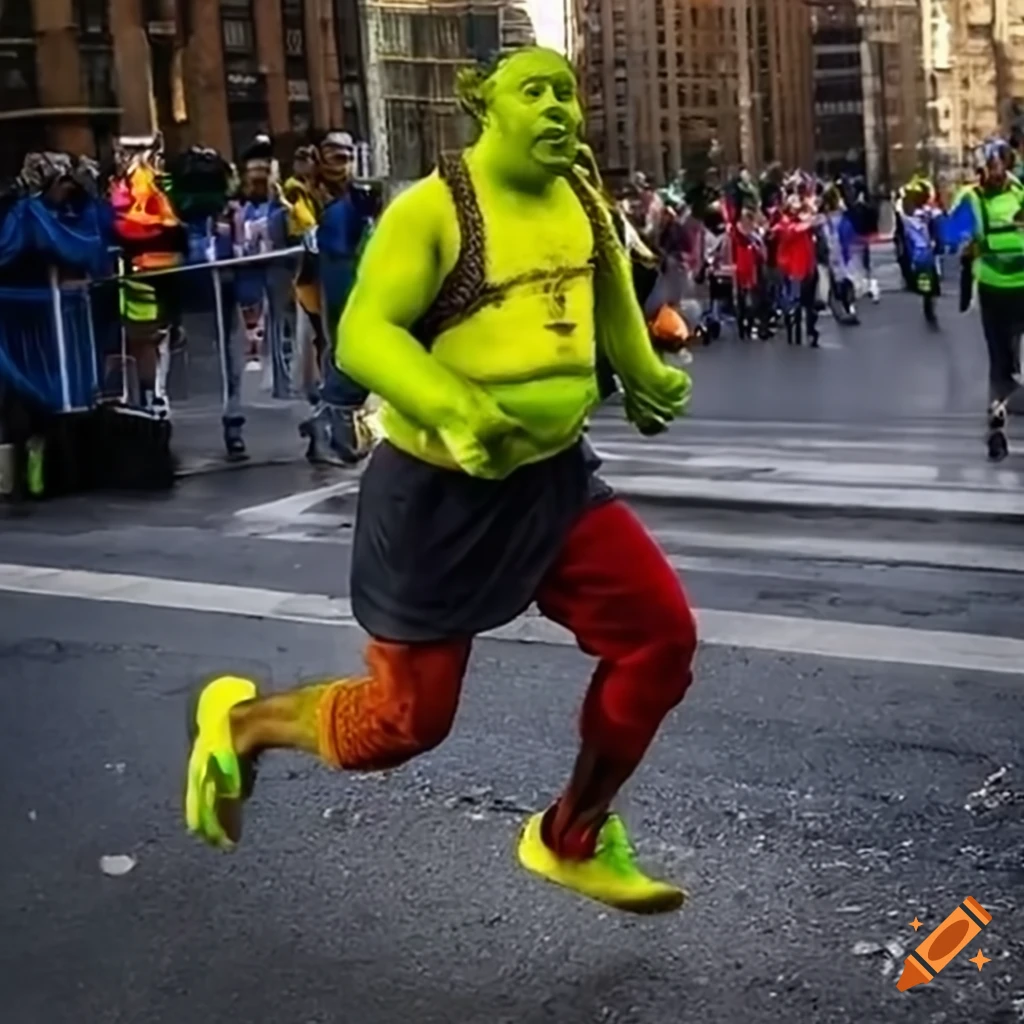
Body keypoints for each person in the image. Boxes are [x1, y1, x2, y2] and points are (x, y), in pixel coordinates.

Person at [183, 46, 695, 915]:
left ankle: (573, 835)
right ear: (483, 106)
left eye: (566, 93)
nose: (559, 109)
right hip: (438, 500)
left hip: (555, 484)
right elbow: (364, 336)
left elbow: (609, 293)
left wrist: (642, 371)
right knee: (405, 725)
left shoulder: (579, 197)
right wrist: (454, 409)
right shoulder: (433, 208)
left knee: (660, 640)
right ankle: (244, 724)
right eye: (534, 92)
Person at [299, 131, 377, 465]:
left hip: (356, 280)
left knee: (347, 357)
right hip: (329, 283)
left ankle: (333, 432)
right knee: (341, 354)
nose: (341, 163)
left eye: (347, 156)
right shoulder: (308, 194)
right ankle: (330, 432)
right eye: (335, 156)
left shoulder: (360, 196)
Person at [945, 139, 1024, 460]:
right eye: (990, 168)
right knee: (1000, 359)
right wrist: (965, 243)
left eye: (1000, 166)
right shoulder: (971, 199)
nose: (995, 173)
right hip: (994, 290)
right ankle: (997, 424)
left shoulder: (1019, 191)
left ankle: (1002, 411)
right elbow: (950, 235)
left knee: (1005, 360)